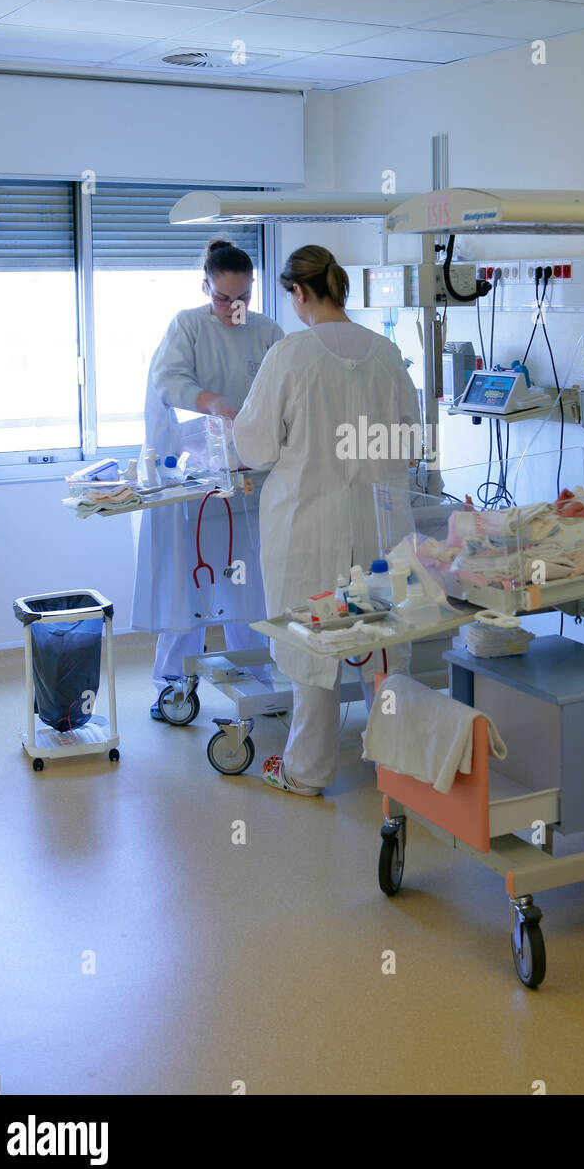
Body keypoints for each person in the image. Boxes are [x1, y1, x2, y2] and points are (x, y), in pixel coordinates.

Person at [233, 244, 421, 796]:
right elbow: (411, 443)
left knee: (310, 644)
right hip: (381, 526)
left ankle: (307, 771)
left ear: (298, 292)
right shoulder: (386, 354)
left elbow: (256, 445)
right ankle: (397, 766)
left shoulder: (291, 356)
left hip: (307, 525)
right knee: (383, 642)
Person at [131, 237, 283, 715]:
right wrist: (210, 401)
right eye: (223, 298)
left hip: (253, 480)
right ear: (205, 287)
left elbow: (286, 390)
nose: (234, 308)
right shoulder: (188, 326)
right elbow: (167, 381)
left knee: (249, 583)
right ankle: (172, 684)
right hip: (195, 481)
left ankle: (260, 676)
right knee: (190, 585)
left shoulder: (269, 331)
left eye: (243, 298)